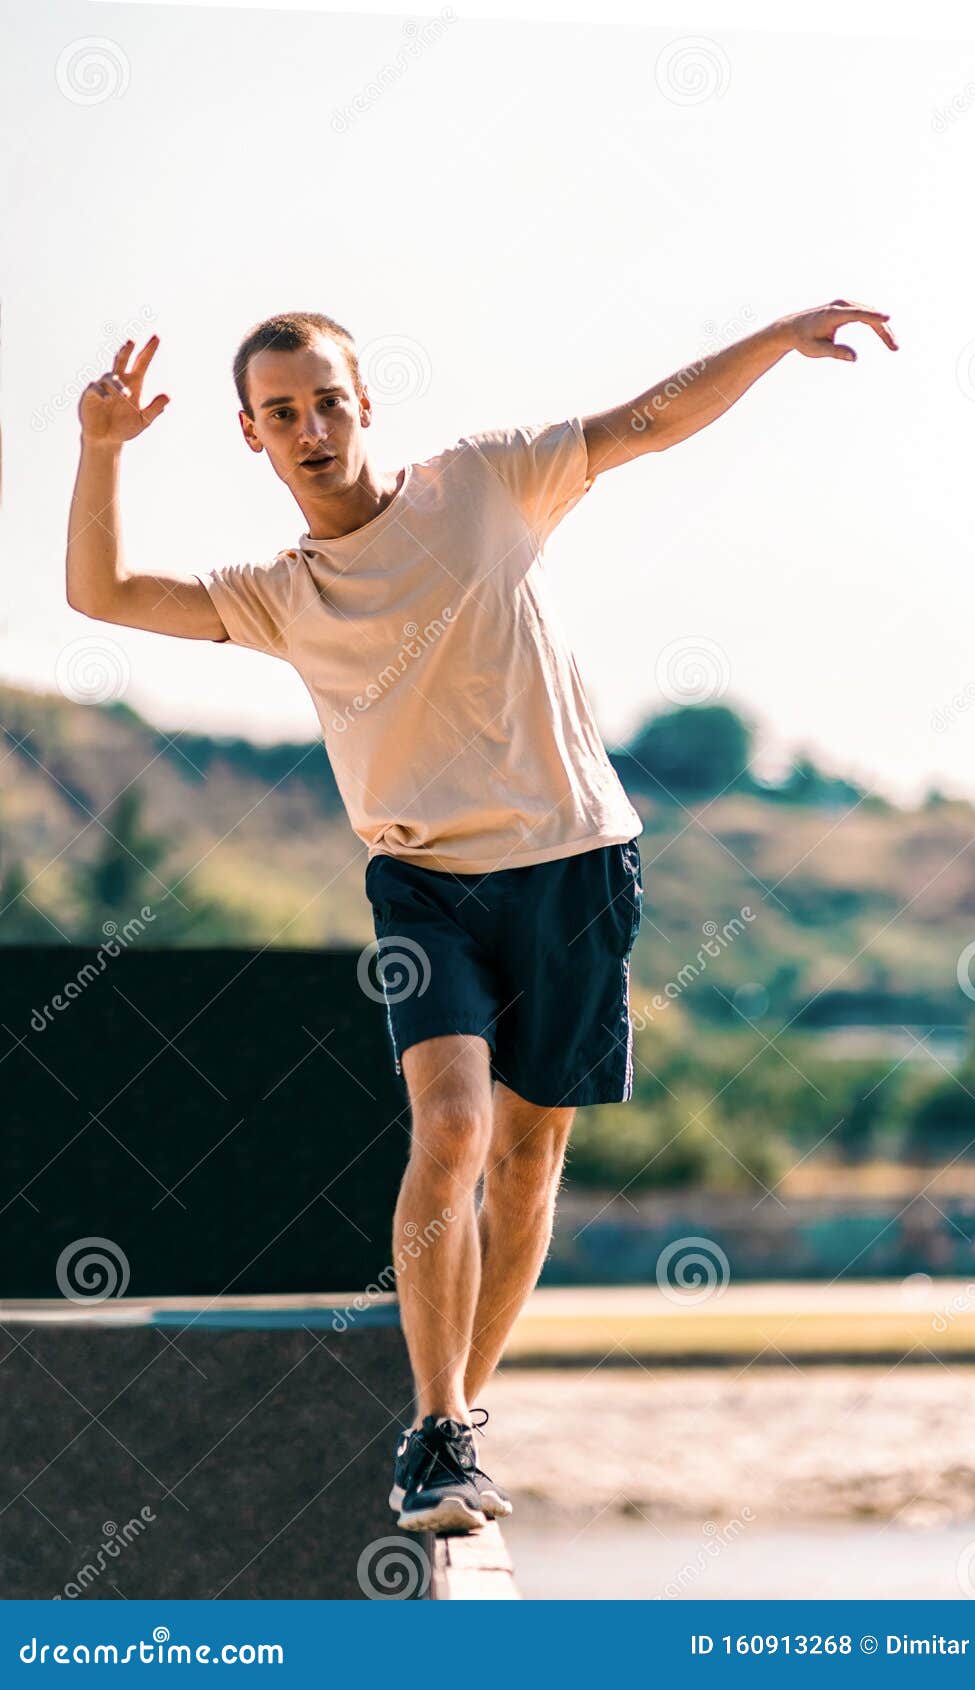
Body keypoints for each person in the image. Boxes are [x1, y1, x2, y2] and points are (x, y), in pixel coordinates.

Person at [66, 300, 896, 1535]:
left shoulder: (484, 485)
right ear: (249, 435)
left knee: (526, 1158)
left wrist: (772, 341)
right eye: (281, 412)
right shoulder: (285, 593)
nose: (311, 427)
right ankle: (443, 1426)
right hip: (423, 883)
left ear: (364, 404)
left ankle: (443, 1425)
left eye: (328, 400)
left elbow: (645, 423)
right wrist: (103, 447)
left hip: (573, 864)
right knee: (450, 1127)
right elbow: (105, 595)